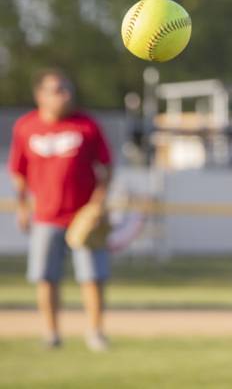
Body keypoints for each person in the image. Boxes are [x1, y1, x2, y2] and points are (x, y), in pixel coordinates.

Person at [9, 68, 113, 352]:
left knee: (92, 277)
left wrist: (98, 203)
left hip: (83, 217)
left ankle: (96, 333)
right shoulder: (25, 127)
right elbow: (18, 172)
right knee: (46, 277)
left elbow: (106, 167)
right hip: (45, 216)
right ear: (40, 95)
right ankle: (51, 334)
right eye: (58, 90)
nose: (66, 94)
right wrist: (22, 208)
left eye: (67, 88)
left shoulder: (87, 126)